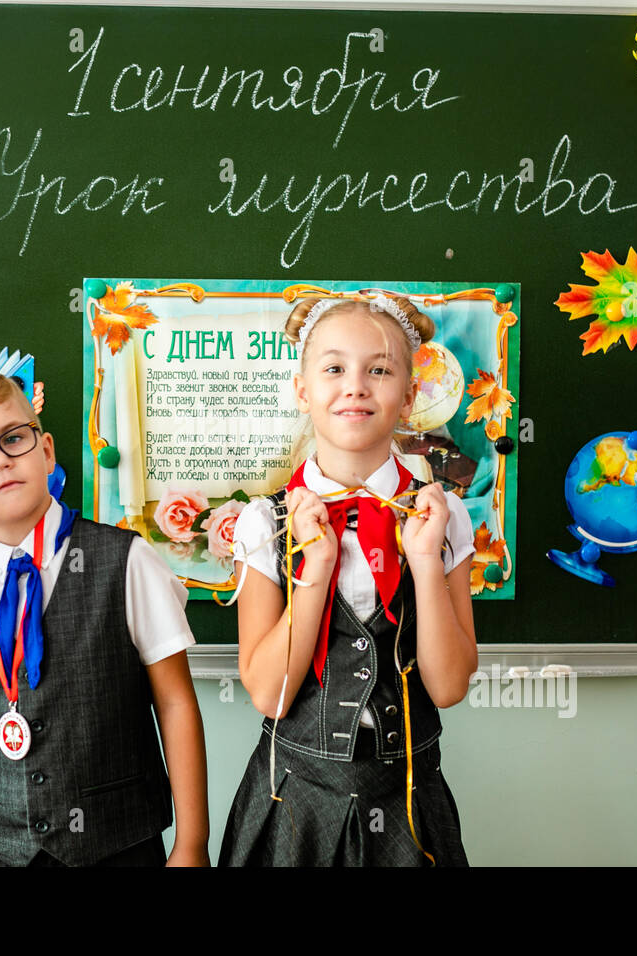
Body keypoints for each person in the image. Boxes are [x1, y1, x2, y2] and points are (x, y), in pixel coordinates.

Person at [0, 370, 210, 866]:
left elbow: (175, 703)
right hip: (0, 853)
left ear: (45, 450)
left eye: (13, 439)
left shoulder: (126, 561)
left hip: (121, 846)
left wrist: (193, 843)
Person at [220, 294, 477, 867]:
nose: (356, 386)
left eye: (379, 370)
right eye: (334, 368)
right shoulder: (266, 522)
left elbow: (449, 686)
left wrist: (427, 562)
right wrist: (314, 571)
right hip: (293, 799)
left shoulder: (444, 516)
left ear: (409, 395)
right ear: (302, 390)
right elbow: (269, 693)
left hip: (409, 799)